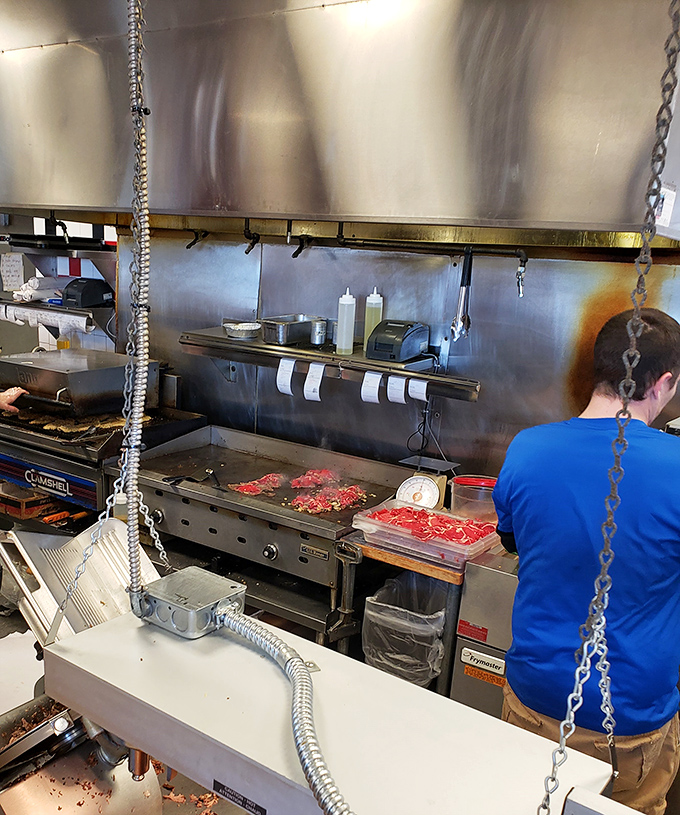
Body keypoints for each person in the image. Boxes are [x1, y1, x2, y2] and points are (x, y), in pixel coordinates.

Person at [493, 308, 680, 815]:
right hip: (629, 721)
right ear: (663, 383)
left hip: (532, 699)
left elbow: (514, 541)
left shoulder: (526, 448)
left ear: (598, 370)